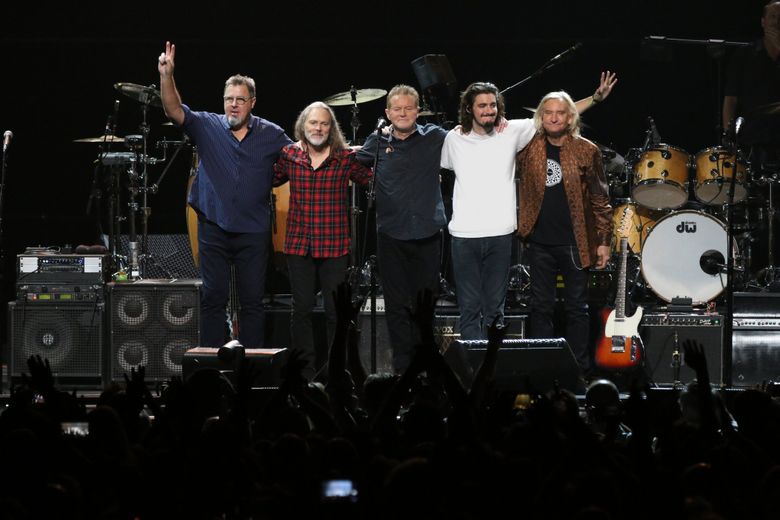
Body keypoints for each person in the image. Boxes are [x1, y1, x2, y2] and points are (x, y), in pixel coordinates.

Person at [440, 73, 616, 341]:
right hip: (465, 236)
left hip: (503, 234)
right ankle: (471, 365)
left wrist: (595, 98)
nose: (488, 110)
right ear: (469, 109)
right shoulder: (454, 138)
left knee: (496, 311)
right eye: (482, 106)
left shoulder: (512, 131)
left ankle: (494, 363)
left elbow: (558, 114)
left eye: (492, 105)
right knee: (470, 309)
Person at [157, 41, 292, 348]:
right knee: (213, 298)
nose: (233, 105)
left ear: (252, 102)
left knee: (252, 302)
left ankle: (253, 366)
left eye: (240, 99)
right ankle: (212, 364)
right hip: (213, 227)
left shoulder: (271, 134)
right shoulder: (207, 125)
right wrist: (167, 76)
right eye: (229, 99)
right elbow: (173, 110)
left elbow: (298, 156)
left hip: (253, 231)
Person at [516, 90, 613, 379]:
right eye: (548, 113)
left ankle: (578, 371)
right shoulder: (527, 147)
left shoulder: (586, 150)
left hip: (575, 243)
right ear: (540, 117)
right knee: (541, 308)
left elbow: (600, 198)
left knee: (577, 309)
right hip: (538, 242)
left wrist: (604, 242)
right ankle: (543, 369)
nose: (554, 118)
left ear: (571, 118)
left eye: (560, 113)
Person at [273, 101, 372, 379]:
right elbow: (266, 178)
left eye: (324, 124)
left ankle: (336, 373)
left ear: (331, 128)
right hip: (299, 244)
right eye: (313, 123)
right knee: (301, 310)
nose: (318, 128)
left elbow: (373, 180)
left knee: (335, 313)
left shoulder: (344, 158)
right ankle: (304, 375)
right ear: (303, 126)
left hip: (334, 245)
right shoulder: (289, 155)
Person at [356, 85, 449, 374]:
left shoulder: (435, 136)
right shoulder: (376, 142)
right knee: (396, 307)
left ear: (418, 111)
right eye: (397, 109)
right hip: (391, 235)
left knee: (425, 307)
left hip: (428, 233)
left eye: (409, 108)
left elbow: (466, 139)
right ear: (388, 113)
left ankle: (425, 370)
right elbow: (352, 161)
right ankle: (402, 371)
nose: (403, 113)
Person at [722, 0, 780, 144]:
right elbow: (731, 99)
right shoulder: (744, 55)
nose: (777, 22)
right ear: (763, 22)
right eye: (772, 17)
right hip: (752, 138)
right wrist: (729, 135)